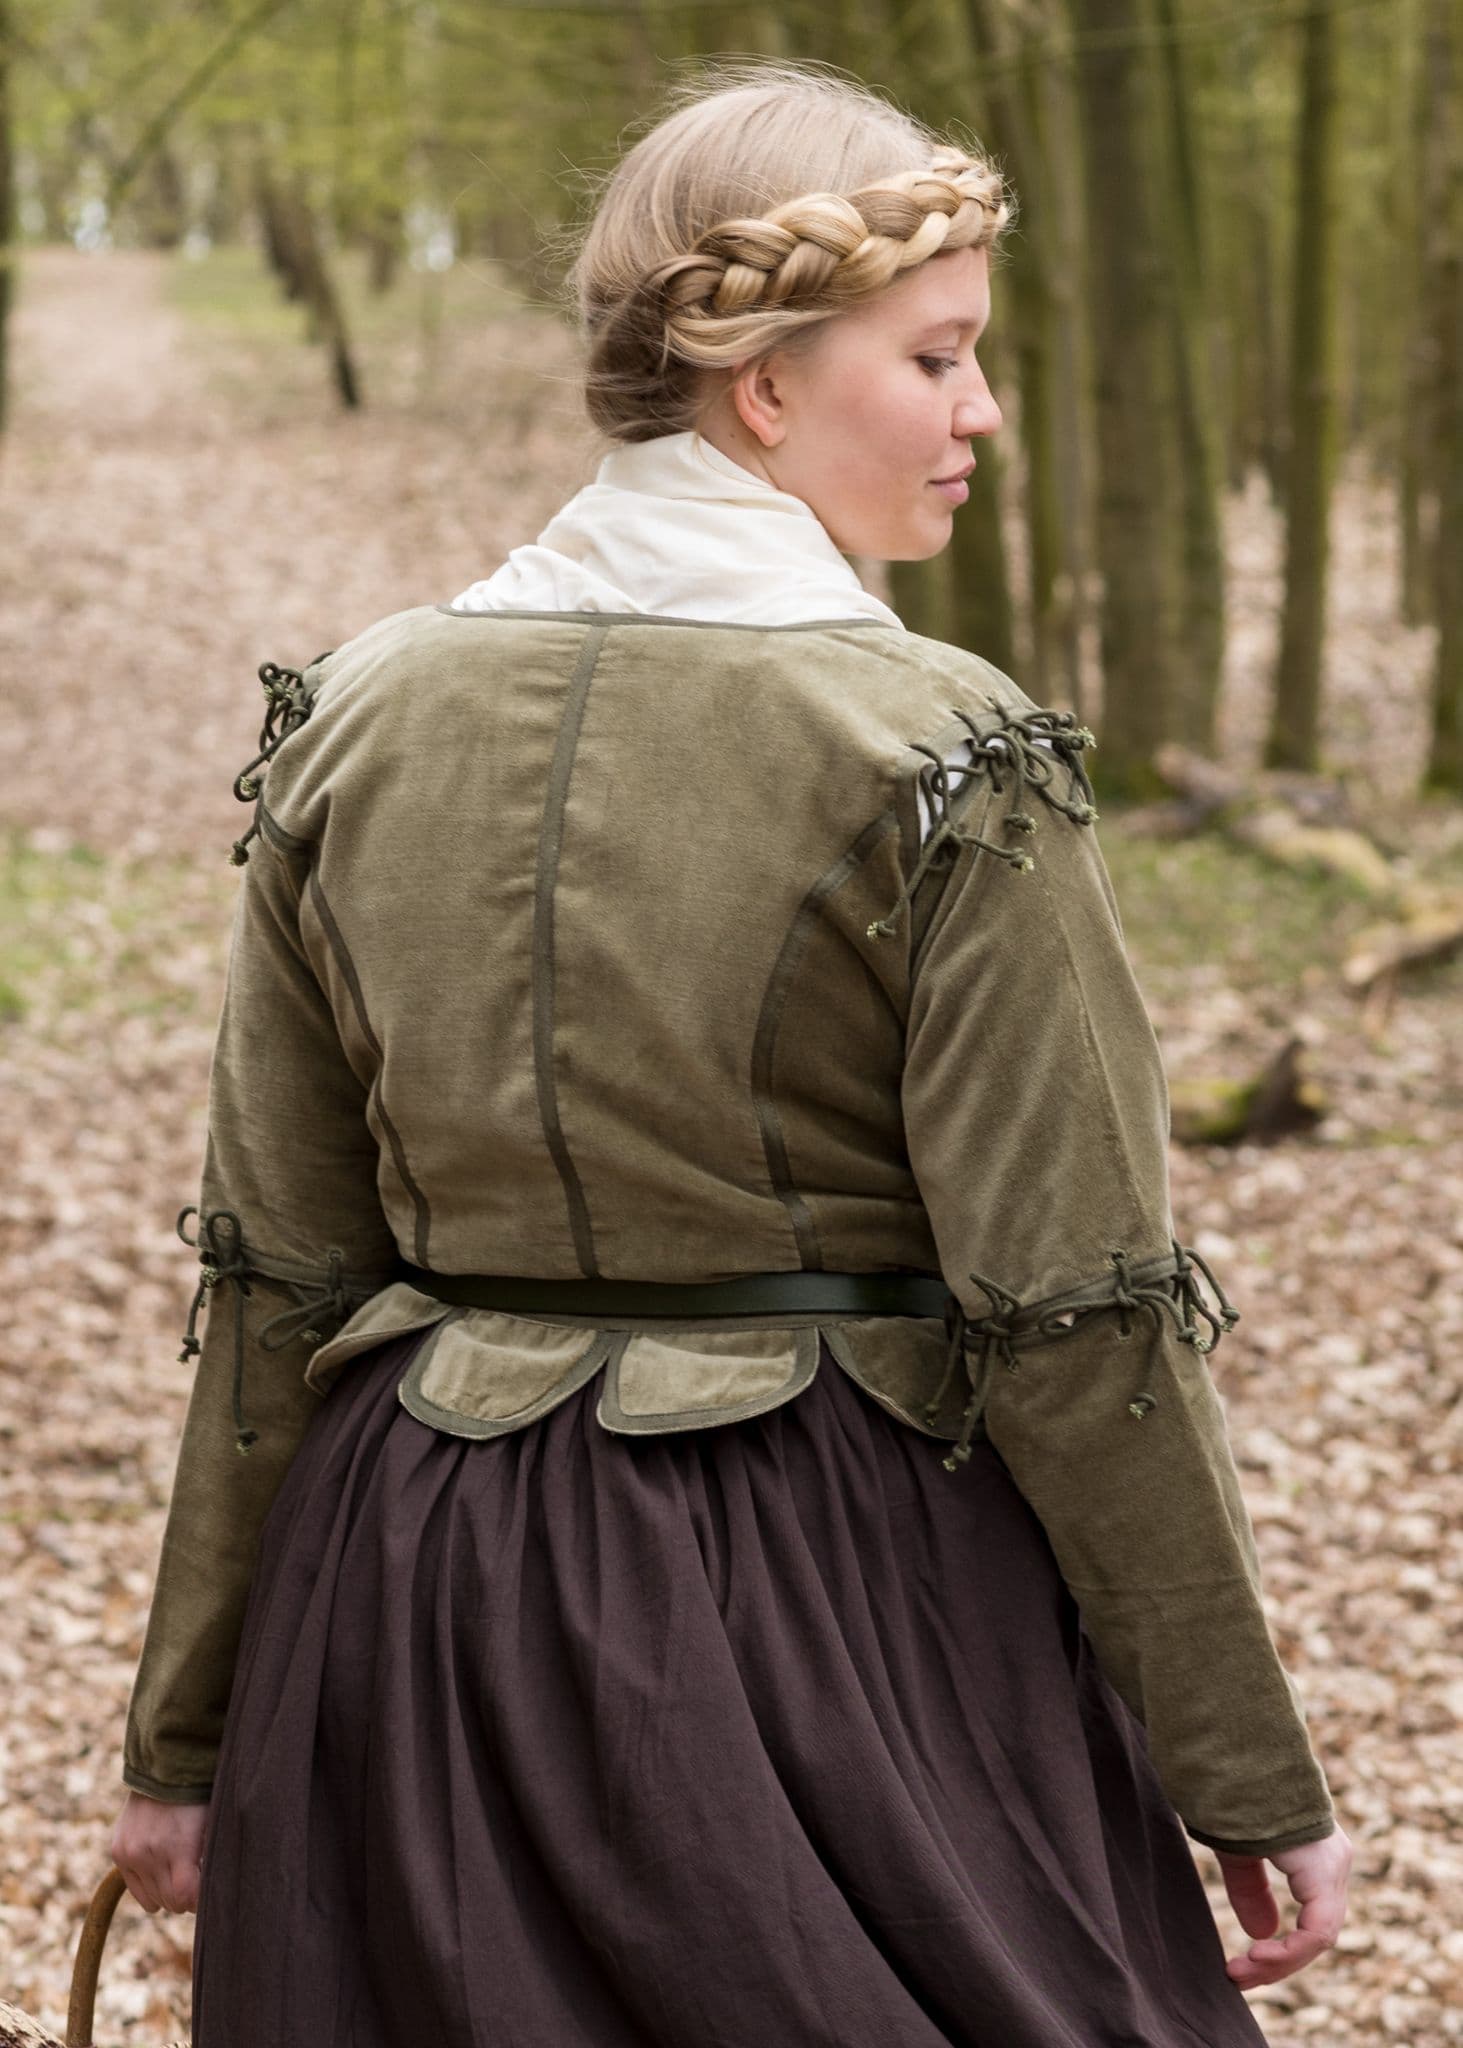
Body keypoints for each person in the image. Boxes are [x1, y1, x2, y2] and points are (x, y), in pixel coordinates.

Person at [110, 57, 1352, 2046]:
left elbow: (281, 1282)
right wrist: (1243, 1771)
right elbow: (1079, 1314)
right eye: (938, 356)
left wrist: (185, 1736)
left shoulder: (354, 718)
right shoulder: (939, 751)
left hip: (404, 1595)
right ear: (762, 385)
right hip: (829, 1605)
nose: (985, 413)